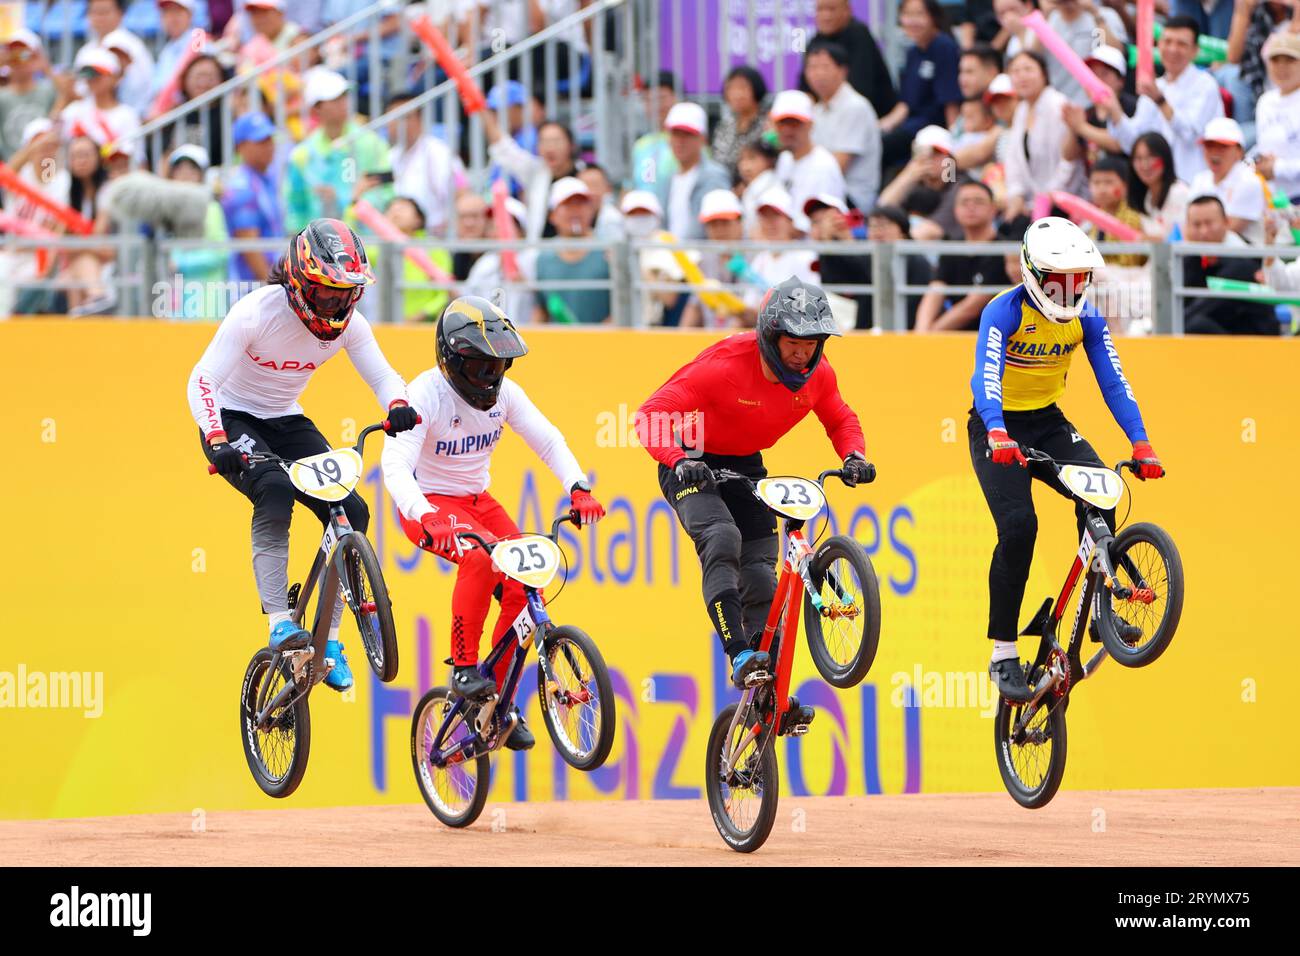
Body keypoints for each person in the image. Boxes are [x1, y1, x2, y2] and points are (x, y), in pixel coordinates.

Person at [188, 219, 421, 691]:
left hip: (286, 419)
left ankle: (329, 639)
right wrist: (216, 439)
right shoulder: (257, 313)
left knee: (351, 509)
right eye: (326, 293)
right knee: (273, 490)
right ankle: (277, 619)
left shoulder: (350, 326)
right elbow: (202, 380)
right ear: (297, 282)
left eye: (346, 295)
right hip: (232, 419)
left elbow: (382, 377)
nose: (336, 305)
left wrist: (397, 405)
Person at [636, 276, 872, 729]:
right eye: (792, 342)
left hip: (744, 466)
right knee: (722, 537)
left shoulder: (819, 376)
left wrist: (854, 455)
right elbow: (651, 413)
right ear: (768, 335)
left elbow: (841, 418)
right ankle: (738, 653)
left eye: (813, 342)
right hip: (691, 461)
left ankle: (770, 697)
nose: (803, 352)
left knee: (763, 572)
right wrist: (678, 458)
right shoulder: (724, 364)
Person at [381, 296, 604, 731]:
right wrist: (426, 514)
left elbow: (549, 441)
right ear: (451, 361)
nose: (491, 376)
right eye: (481, 366)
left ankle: (495, 701)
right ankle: (464, 669)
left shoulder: (507, 396)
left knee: (526, 584)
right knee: (479, 559)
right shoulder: (424, 394)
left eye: (499, 365)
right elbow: (394, 465)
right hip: (427, 503)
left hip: (478, 501)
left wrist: (578, 488)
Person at [970, 217, 1163, 702]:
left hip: (1047, 422)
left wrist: (1141, 443)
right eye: (1059, 280)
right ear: (1033, 273)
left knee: (1103, 491)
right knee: (1019, 528)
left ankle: (1100, 606)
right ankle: (1003, 652)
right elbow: (985, 377)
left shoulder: (1087, 318)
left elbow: (1114, 382)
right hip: (996, 427)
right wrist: (996, 430)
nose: (1069, 290)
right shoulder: (1002, 311)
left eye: (1079, 280)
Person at [1109, 16, 1225, 183]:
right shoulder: (1156, 86)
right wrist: (1114, 110)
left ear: (1195, 51)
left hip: (1193, 182)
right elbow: (1133, 141)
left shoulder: (1205, 85)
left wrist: (1160, 100)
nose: (1172, 49)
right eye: (1167, 42)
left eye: (1181, 44)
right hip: (1160, 187)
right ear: (1159, 45)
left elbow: (1191, 134)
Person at [285, 68, 392, 232]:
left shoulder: (372, 143)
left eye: (344, 96)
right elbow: (295, 205)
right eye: (335, 99)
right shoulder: (301, 154)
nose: (343, 103)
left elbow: (386, 194)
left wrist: (347, 201)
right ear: (316, 109)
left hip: (366, 247)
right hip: (318, 249)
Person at [1002, 51, 1086, 222]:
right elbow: (1013, 159)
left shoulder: (1058, 105)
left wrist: (1049, 195)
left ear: (1044, 73)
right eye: (1015, 71)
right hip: (1032, 204)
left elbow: (1068, 160)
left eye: (1028, 69)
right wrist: (1016, 195)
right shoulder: (1021, 109)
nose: (1022, 76)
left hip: (1064, 203)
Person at [879, 0, 962, 169]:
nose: (912, 21)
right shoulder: (912, 52)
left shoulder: (944, 46)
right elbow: (905, 104)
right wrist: (879, 126)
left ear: (933, 17)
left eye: (919, 14)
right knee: (876, 143)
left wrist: (954, 141)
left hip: (932, 127)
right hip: (910, 125)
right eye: (907, 15)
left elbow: (950, 102)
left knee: (885, 148)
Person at [1182, 194, 1280, 334]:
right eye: (1196, 225)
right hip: (1219, 336)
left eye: (1209, 223)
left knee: (1194, 325)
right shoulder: (1190, 259)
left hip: (1254, 344)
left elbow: (1205, 307)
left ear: (1226, 222)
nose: (1203, 231)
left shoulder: (1243, 257)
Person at [915, 179, 1004, 332]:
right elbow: (936, 289)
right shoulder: (951, 247)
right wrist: (921, 331)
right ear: (955, 209)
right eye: (964, 202)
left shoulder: (1002, 250)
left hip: (995, 338)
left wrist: (931, 334)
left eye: (978, 201)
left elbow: (972, 307)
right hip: (953, 336)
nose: (971, 207)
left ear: (993, 209)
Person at [806, 40, 882, 211]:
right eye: (812, 67)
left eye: (825, 67)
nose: (818, 74)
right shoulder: (816, 110)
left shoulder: (855, 106)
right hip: (821, 190)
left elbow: (836, 167)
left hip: (852, 199)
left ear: (843, 71)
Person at [386, 90, 467, 238]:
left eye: (405, 117)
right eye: (393, 118)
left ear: (420, 120)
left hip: (434, 240)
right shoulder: (391, 156)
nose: (397, 123)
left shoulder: (439, 154)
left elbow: (462, 195)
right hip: (398, 238)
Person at [801, 0, 899, 121]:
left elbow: (861, 88)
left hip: (872, 118)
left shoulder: (859, 34)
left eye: (831, 9)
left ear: (847, 10)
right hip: (826, 116)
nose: (826, 16)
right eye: (820, 9)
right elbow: (804, 90)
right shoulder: (814, 43)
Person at [533, 177, 611, 324]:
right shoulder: (543, 257)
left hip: (603, 343)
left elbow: (620, 310)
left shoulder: (609, 252)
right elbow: (541, 310)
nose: (575, 211)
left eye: (581, 204)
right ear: (553, 215)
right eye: (567, 205)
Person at [220, 111, 284, 285]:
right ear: (241, 147)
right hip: (252, 289)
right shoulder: (243, 187)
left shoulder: (265, 179)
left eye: (269, 139)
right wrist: (273, 287)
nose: (269, 146)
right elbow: (249, 244)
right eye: (260, 141)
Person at [770, 90, 846, 232]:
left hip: (812, 249)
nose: (787, 130)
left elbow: (818, 225)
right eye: (781, 123)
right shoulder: (785, 159)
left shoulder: (823, 166)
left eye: (794, 123)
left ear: (810, 125)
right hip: (787, 248)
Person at [1031, 0, 1126, 106]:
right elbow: (1032, 58)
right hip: (1060, 103)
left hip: (1096, 103)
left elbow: (1114, 53)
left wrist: (1094, 13)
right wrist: (1043, 18)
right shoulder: (1048, 20)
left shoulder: (1104, 15)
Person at [1188, 118, 1266, 244]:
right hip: (1206, 254)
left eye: (1222, 146)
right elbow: (1189, 226)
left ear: (1239, 151)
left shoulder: (1249, 181)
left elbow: (1226, 231)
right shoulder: (1200, 180)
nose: (1214, 152)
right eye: (1209, 145)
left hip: (1245, 257)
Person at [662, 102, 731, 240]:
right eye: (675, 134)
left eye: (687, 134)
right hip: (673, 258)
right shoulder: (669, 177)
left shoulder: (714, 176)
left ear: (702, 139)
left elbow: (710, 229)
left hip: (703, 258)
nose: (680, 141)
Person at [0, 30, 63, 163]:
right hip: (11, 173)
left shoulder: (48, 90)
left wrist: (46, 68)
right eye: (12, 55)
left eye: (24, 55)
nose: (18, 61)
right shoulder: (2, 96)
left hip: (44, 168)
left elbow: (71, 94)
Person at [1253, 30, 1300, 202]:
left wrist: (1278, 168)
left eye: (1290, 60)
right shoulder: (1265, 101)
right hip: (1271, 198)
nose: (1281, 67)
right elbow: (1262, 148)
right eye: (1275, 60)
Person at [1082, 155, 1147, 266]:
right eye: (1096, 183)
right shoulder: (1090, 219)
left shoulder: (1131, 218)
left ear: (1125, 186)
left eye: (1108, 182)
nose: (1102, 189)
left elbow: (1129, 263)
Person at [1128, 132, 1191, 239]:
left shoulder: (1179, 192)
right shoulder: (1146, 198)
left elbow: (1184, 238)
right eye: (1138, 158)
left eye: (1151, 157)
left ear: (1165, 158)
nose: (1145, 165)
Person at [712, 66, 768, 174]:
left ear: (755, 88)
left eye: (742, 87)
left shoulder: (767, 123)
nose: (737, 94)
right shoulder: (724, 126)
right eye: (731, 88)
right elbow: (716, 159)